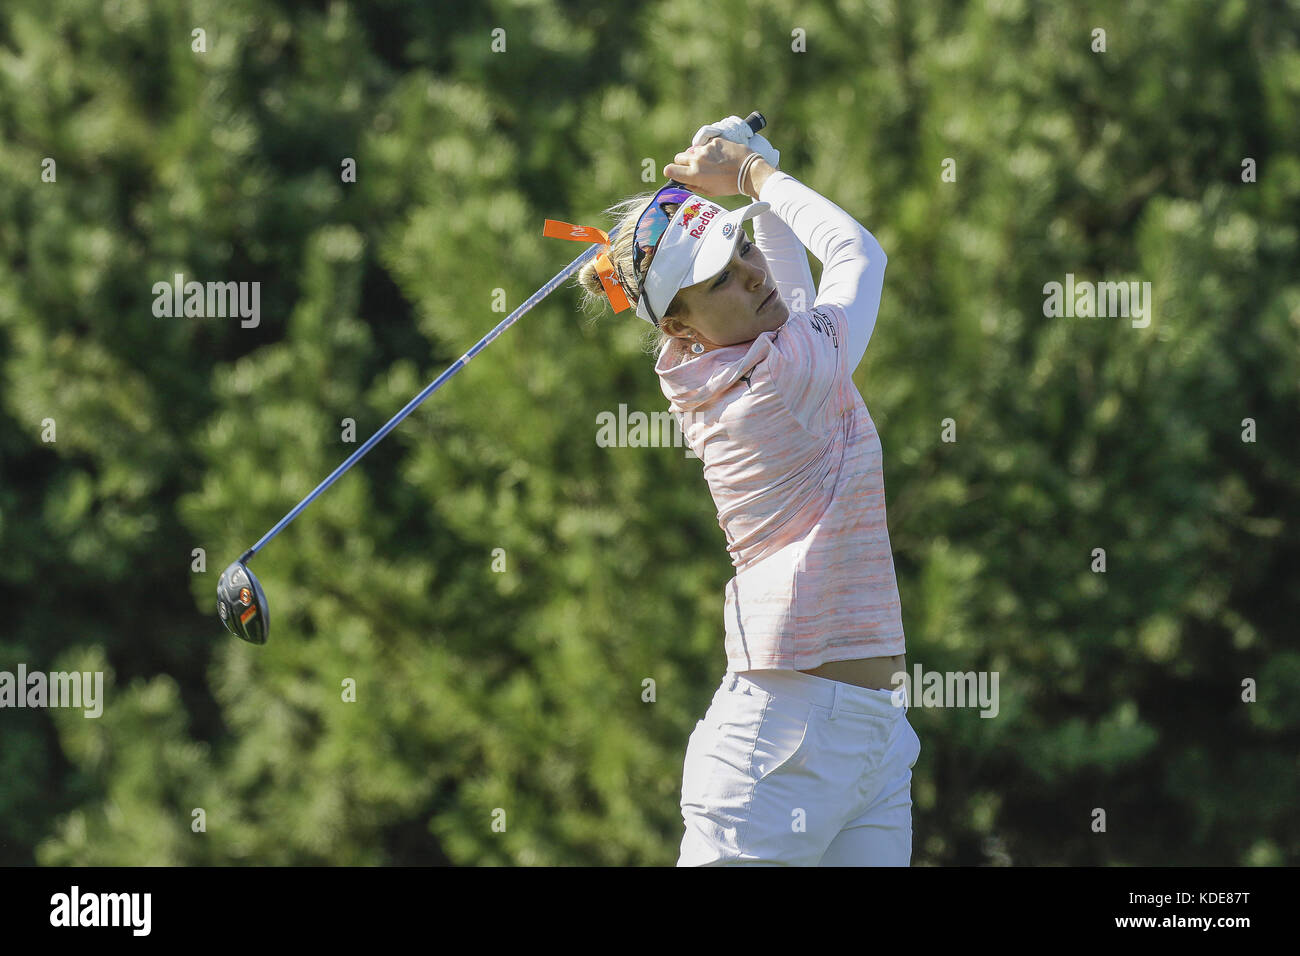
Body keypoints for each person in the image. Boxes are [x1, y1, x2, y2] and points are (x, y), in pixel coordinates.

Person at [572, 117, 919, 866]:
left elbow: (786, 289)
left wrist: (758, 174)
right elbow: (861, 254)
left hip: (869, 742)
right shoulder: (780, 380)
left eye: (745, 248)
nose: (753, 274)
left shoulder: (735, 362)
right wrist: (756, 179)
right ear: (679, 326)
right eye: (721, 277)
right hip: (778, 750)